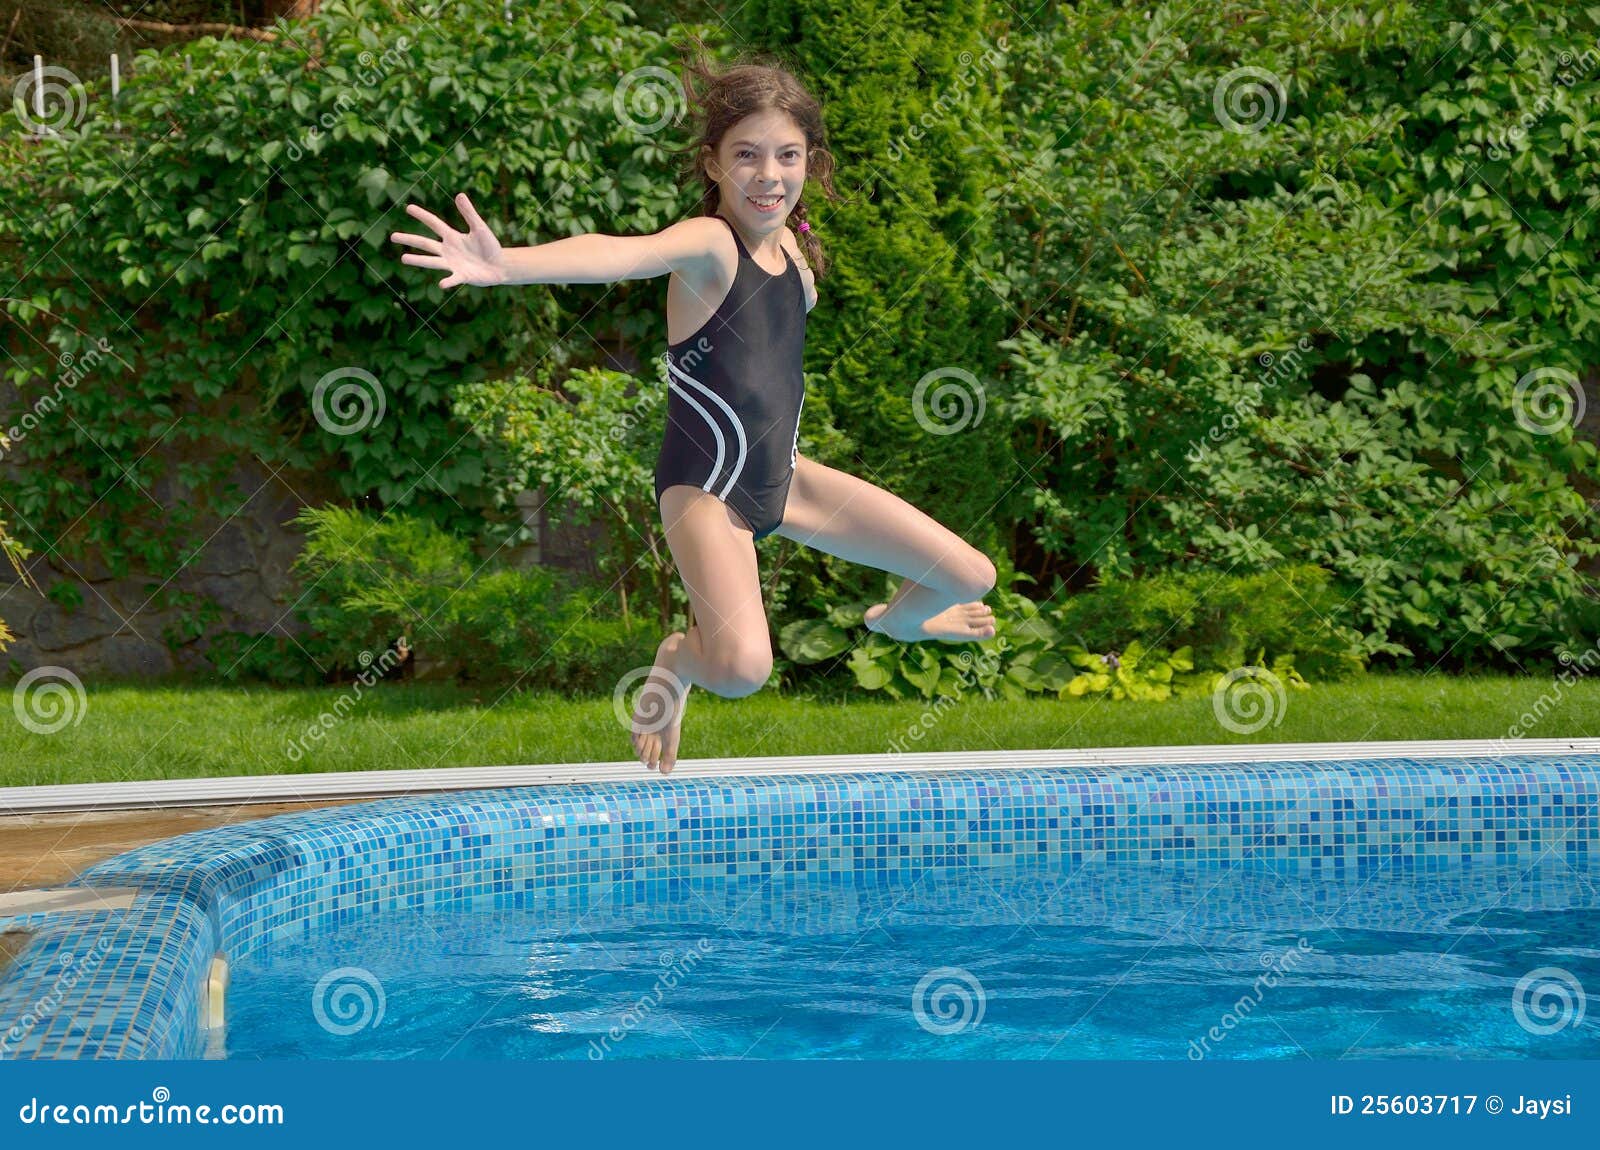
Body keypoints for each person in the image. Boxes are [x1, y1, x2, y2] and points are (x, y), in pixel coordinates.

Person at [391, 51, 996, 777]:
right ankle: (677, 656)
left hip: (786, 481)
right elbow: (622, 253)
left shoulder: (799, 266)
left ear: (811, 163)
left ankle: (897, 619)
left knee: (970, 574)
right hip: (705, 492)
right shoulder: (710, 246)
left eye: (787, 154)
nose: (768, 173)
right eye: (747, 155)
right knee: (742, 669)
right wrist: (508, 264)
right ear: (713, 165)